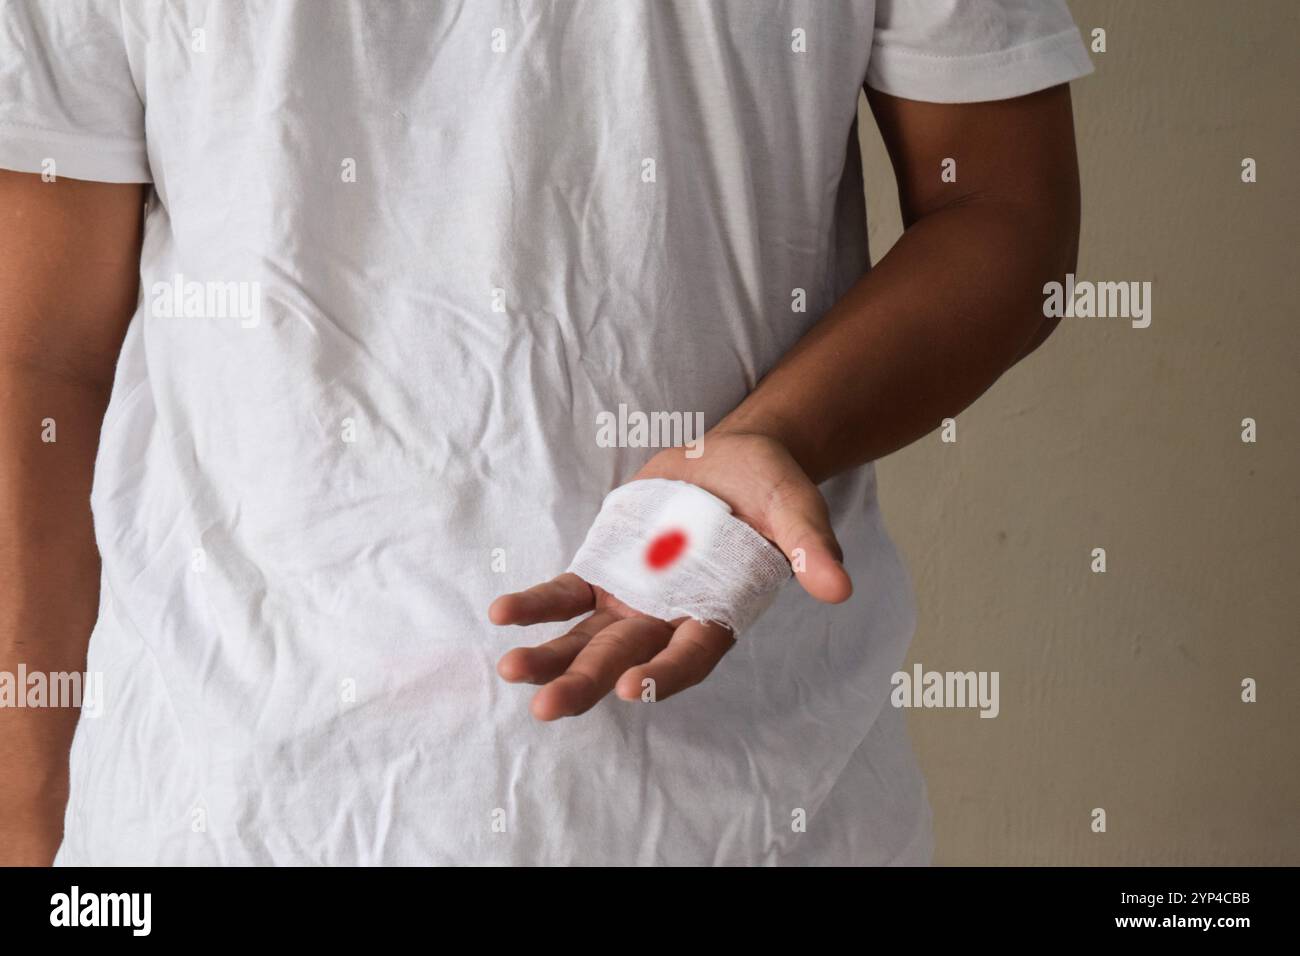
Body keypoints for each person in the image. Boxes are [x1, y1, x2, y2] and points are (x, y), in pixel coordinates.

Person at [0, 0, 1091, 866]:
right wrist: (27, 828)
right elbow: (40, 362)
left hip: (748, 806)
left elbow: (1000, 210)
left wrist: (774, 436)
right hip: (228, 810)